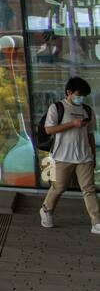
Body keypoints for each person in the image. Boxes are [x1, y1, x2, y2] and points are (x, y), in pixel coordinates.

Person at [40, 77, 100, 234]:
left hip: (84, 157)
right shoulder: (57, 108)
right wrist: (72, 124)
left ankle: (96, 222)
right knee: (58, 187)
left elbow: (90, 135)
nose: (81, 98)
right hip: (61, 156)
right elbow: (48, 130)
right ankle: (46, 210)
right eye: (79, 95)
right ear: (69, 92)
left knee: (89, 189)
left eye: (83, 96)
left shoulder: (87, 110)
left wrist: (93, 155)